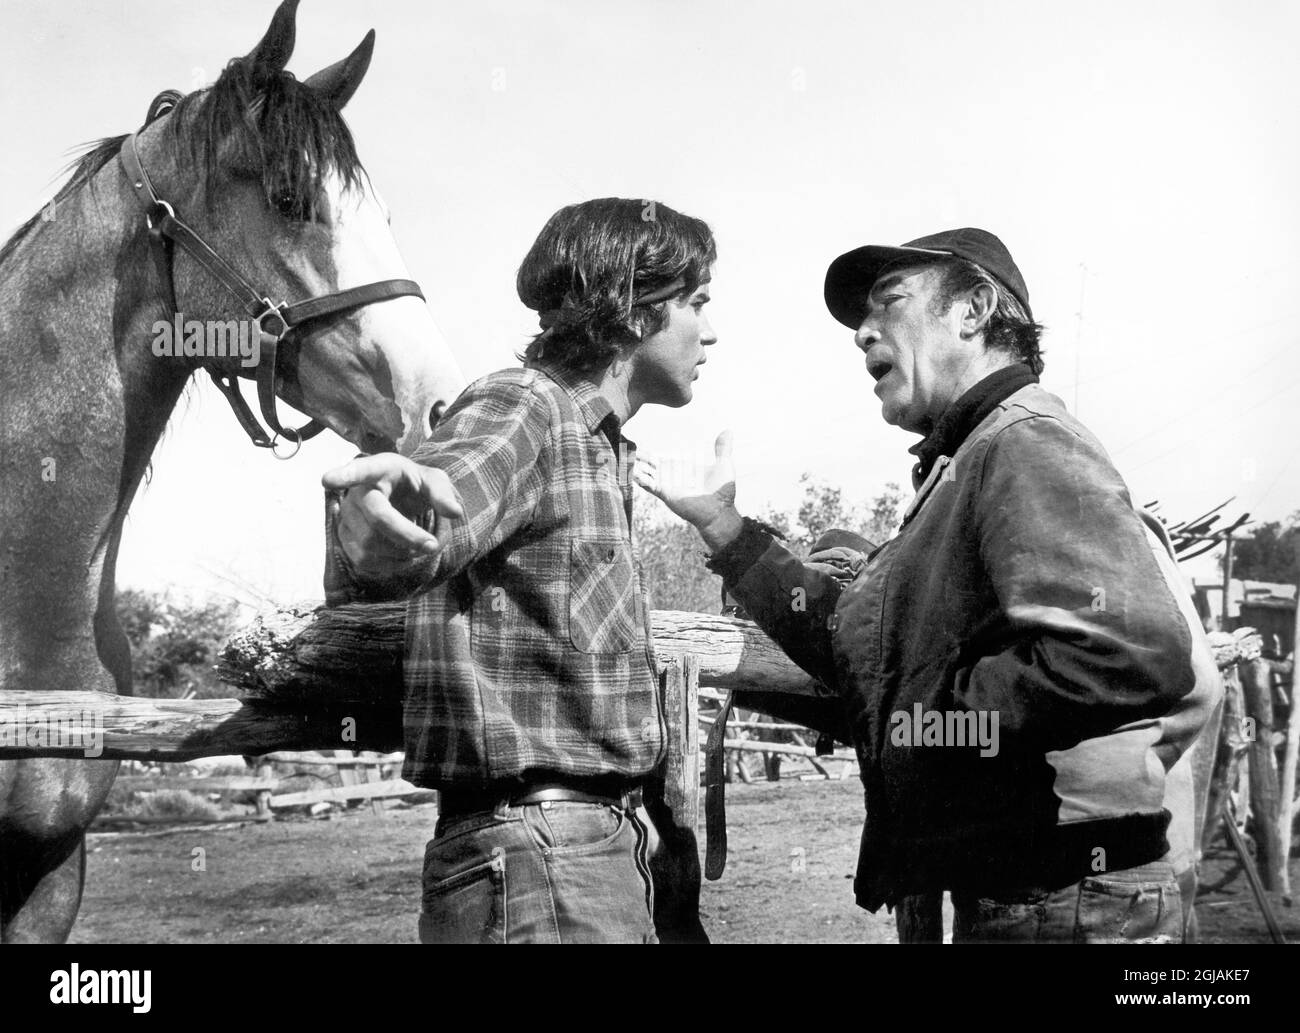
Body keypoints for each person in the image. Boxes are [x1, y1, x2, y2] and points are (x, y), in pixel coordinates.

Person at [636, 227, 1221, 943]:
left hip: (1068, 900)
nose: (863, 334)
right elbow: (860, 651)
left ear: (973, 312)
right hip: (1046, 895)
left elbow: (1126, 649)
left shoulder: (1024, 442)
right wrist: (725, 527)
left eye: (889, 302)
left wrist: (923, 721)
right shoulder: (967, 462)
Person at [321, 197, 717, 944]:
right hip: (540, 858)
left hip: (578, 849)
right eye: (696, 303)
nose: (712, 329)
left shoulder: (599, 444)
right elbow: (439, 506)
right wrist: (378, 521)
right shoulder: (523, 404)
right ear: (635, 313)